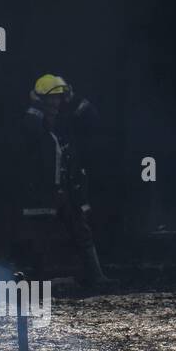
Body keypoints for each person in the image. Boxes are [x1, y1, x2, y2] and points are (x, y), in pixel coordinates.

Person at [18, 74, 110, 285]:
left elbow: (92, 118)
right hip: (44, 191)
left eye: (59, 98)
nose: (56, 102)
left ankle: (97, 276)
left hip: (68, 189)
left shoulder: (65, 122)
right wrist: (37, 106)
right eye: (52, 98)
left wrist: (73, 98)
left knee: (82, 231)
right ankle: (38, 278)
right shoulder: (33, 121)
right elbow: (30, 128)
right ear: (41, 99)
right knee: (41, 236)